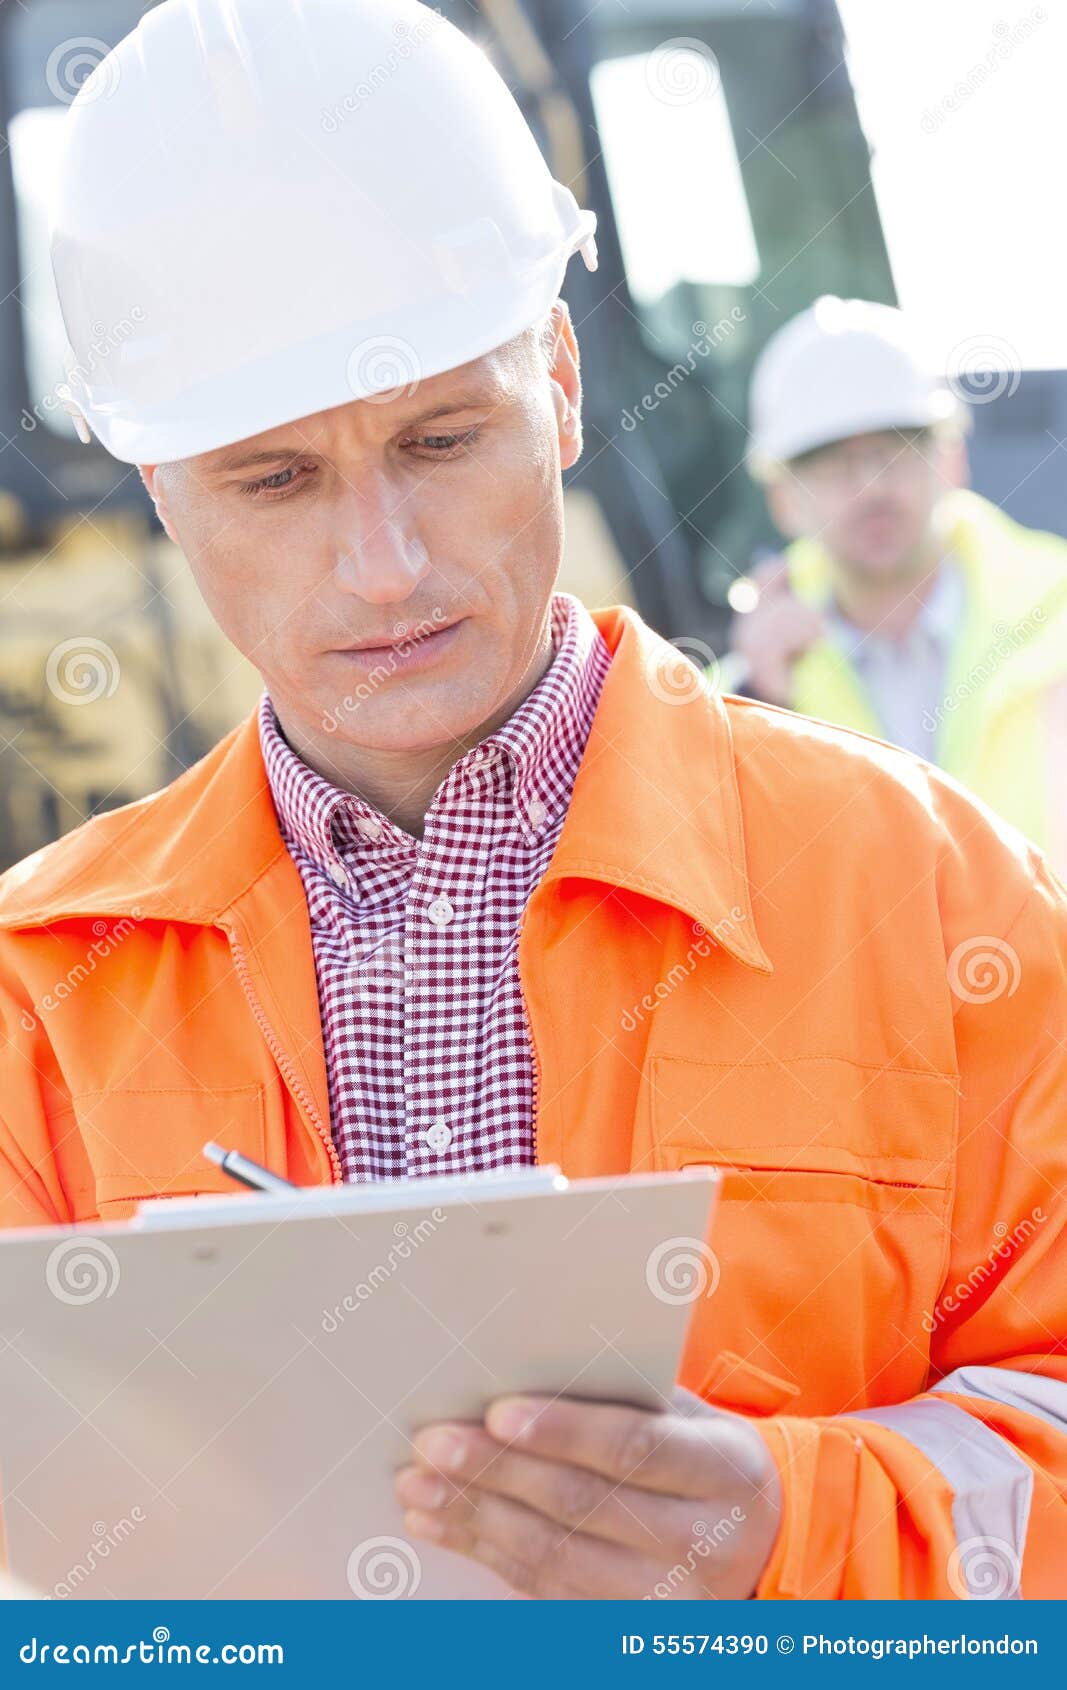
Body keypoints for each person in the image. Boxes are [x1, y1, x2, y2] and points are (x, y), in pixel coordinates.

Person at [0, 0, 1065, 1601]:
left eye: (441, 437)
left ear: (560, 381)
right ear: (157, 484)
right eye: (273, 481)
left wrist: (789, 1523)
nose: (384, 567)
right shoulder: (39, 994)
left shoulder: (938, 900)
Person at [730, 296, 1067, 876]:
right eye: (832, 462)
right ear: (783, 499)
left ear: (952, 459)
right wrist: (757, 704)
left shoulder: (1056, 608)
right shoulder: (747, 688)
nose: (871, 486)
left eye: (896, 450)